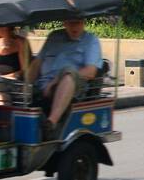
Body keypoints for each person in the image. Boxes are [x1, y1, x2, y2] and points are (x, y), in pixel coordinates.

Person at [27, 11, 102, 140]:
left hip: (73, 85)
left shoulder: (90, 40)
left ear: (83, 23)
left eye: (78, 23)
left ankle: (51, 123)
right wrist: (25, 84)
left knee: (68, 73)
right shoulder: (54, 37)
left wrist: (57, 79)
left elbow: (90, 71)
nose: (74, 27)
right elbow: (37, 63)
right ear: (65, 23)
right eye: (71, 23)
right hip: (43, 84)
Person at [0, 25, 32, 105]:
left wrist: (3, 78)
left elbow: (24, 71)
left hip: (15, 83)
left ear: (5, 27)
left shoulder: (20, 42)